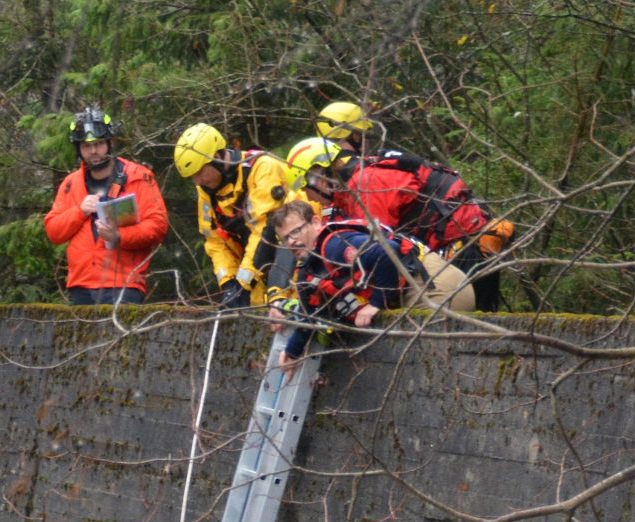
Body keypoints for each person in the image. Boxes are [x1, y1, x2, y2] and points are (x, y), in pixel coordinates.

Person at [318, 101, 515, 312]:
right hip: (473, 239)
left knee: (468, 328)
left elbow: (381, 244)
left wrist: (375, 300)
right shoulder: (383, 163)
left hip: (460, 247)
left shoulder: (366, 179)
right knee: (483, 321)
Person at [266, 198, 462, 372]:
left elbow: (386, 252)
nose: (292, 241)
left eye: (296, 231)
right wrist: (291, 354)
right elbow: (308, 315)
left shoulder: (334, 245)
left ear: (316, 222)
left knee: (422, 363)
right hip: (419, 284)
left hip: (432, 283)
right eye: (286, 238)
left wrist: (376, 303)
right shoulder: (308, 271)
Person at [41, 107, 169, 305]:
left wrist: (119, 237)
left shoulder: (139, 176)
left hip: (124, 284)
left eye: (99, 144)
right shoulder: (70, 184)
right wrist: (79, 211)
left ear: (110, 143)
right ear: (78, 149)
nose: (93, 151)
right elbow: (53, 231)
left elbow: (158, 226)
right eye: (86, 146)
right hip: (81, 286)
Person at [172, 122, 297, 311]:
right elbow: (214, 241)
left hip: (293, 260)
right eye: (192, 177)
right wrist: (229, 283)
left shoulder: (262, 168)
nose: (197, 181)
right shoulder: (207, 191)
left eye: (199, 173)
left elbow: (265, 231)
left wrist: (243, 283)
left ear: (216, 157)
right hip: (256, 271)